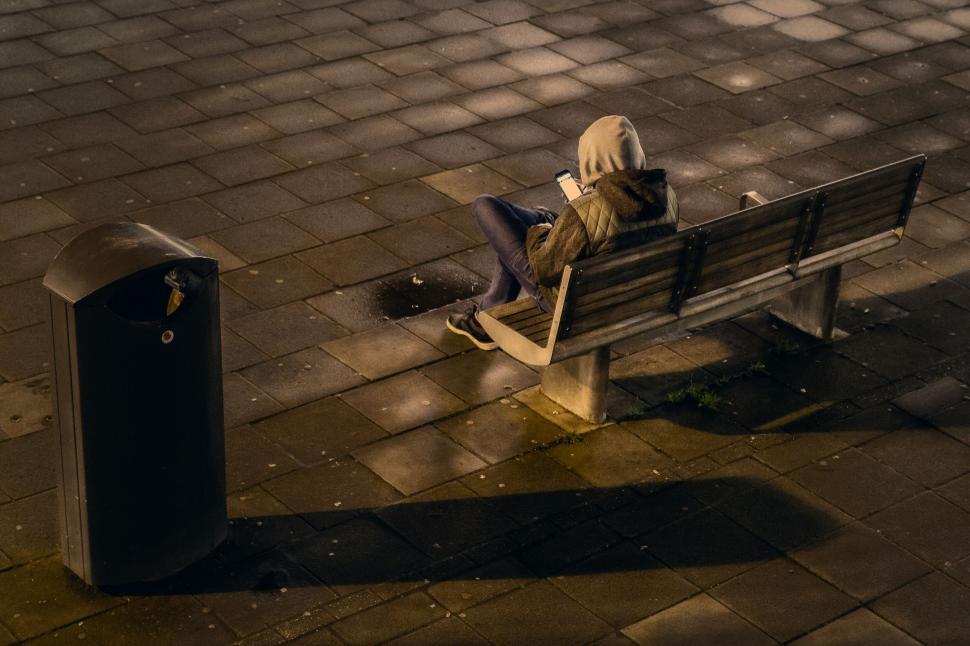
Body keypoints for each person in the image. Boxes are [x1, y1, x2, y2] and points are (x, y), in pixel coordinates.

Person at [446, 114, 680, 350]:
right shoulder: (667, 198)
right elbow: (620, 227)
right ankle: (487, 315)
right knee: (537, 222)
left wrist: (545, 228)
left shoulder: (583, 212)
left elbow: (544, 270)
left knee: (485, 206)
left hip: (575, 307)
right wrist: (589, 199)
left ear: (594, 158)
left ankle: (484, 322)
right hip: (636, 298)